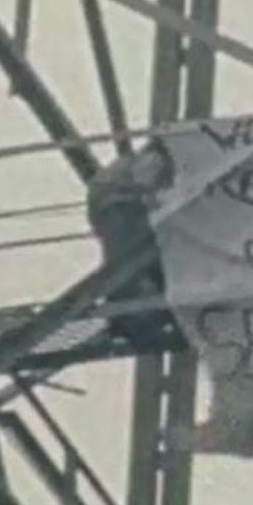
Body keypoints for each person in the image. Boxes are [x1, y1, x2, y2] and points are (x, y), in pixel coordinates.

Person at [86, 140, 177, 349]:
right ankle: (128, 316)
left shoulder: (139, 160)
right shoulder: (154, 159)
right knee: (131, 264)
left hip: (113, 204)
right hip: (120, 204)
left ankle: (127, 317)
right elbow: (146, 183)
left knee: (127, 264)